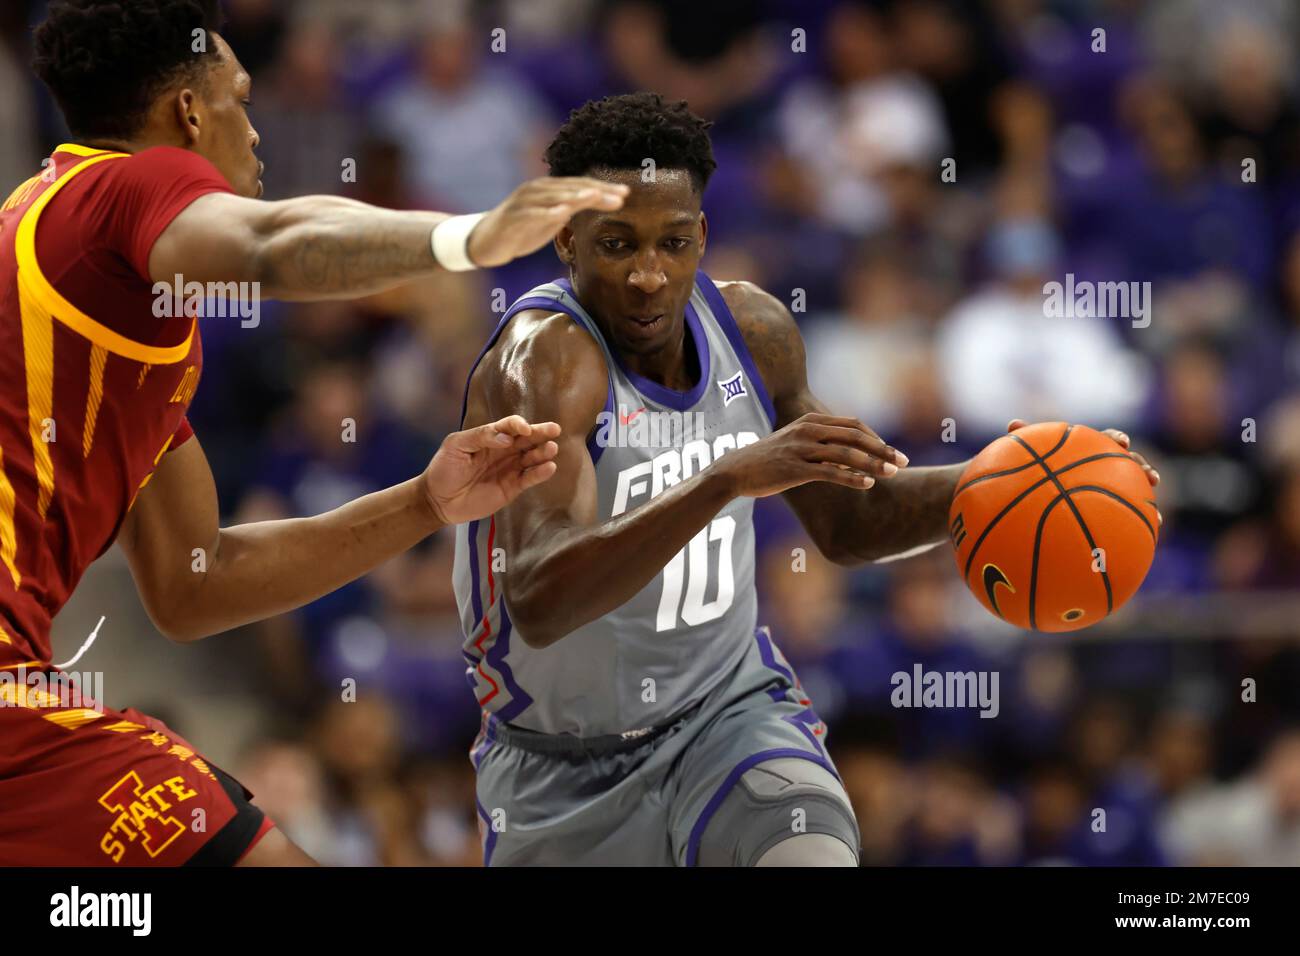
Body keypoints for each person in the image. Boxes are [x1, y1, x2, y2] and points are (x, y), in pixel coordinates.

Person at [455, 92, 1159, 866]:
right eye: (618, 245)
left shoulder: (753, 331)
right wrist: (724, 480)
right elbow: (542, 597)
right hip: (560, 767)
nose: (650, 277)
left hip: (725, 716)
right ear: (567, 239)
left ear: (703, 236)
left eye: (674, 242)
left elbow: (850, 524)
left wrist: (1024, 478)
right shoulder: (547, 359)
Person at [0, 0, 627, 867]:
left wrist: (423, 503)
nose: (254, 134)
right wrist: (463, 237)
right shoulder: (114, 186)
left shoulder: (93, 315)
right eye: (241, 100)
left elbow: (198, 585)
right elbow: (270, 242)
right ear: (189, 112)